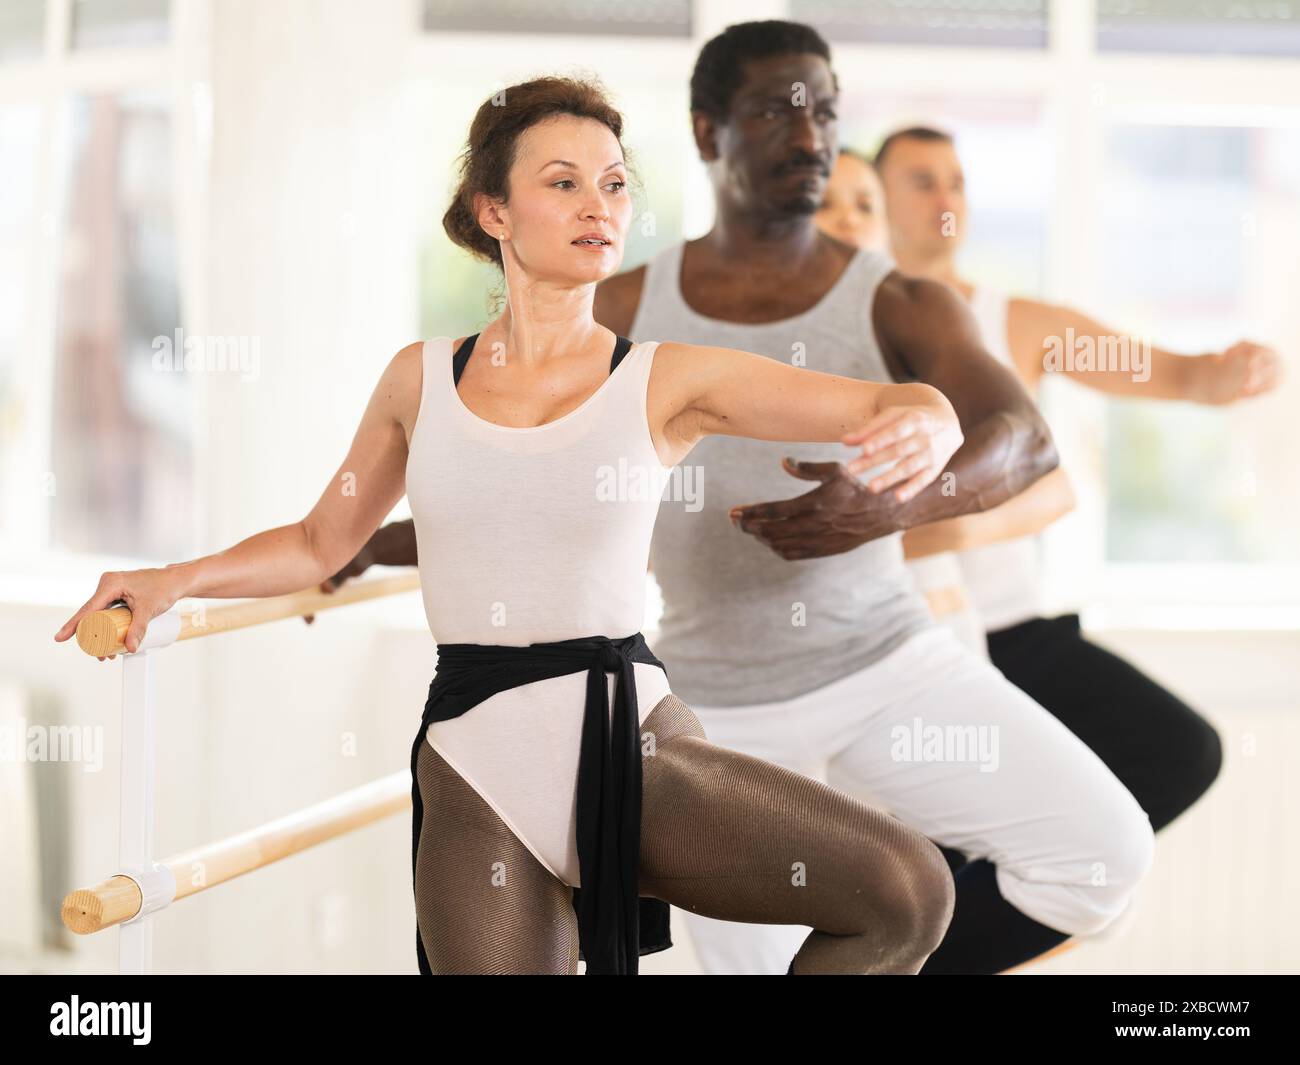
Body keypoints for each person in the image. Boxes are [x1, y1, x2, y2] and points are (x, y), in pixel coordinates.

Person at [54, 75, 966, 976]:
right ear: (493, 212)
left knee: (907, 889)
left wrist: (932, 417)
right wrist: (172, 580)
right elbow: (318, 542)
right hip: (475, 760)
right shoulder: (419, 378)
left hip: (629, 741)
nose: (598, 204)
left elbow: (899, 400)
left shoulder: (668, 377)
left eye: (613, 183)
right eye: (562, 182)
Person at [331, 21, 1158, 977]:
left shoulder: (900, 299)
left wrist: (886, 507)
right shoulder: (626, 303)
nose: (810, 137)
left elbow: (1024, 442)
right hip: (714, 694)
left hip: (885, 663)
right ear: (706, 131)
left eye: (828, 114)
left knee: (1097, 858)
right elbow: (505, 488)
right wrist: (357, 545)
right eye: (777, 110)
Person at [874, 123, 1282, 835]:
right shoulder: (838, 328)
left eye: (958, 181)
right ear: (874, 197)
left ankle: (1025, 897)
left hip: (1012, 631)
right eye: (922, 180)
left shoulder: (1019, 323)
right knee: (930, 845)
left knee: (1181, 751)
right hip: (896, 644)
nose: (946, 197)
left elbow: (1179, 374)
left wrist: (1229, 371)